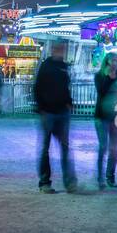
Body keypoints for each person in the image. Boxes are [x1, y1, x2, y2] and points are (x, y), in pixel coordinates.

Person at [34, 41, 76, 192]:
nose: (61, 51)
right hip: (48, 112)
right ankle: (45, 182)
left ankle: (70, 182)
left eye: (63, 49)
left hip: (62, 112)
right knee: (46, 147)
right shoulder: (46, 66)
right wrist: (41, 107)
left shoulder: (64, 66)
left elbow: (66, 87)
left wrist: (69, 102)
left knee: (65, 147)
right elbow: (37, 86)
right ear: (53, 50)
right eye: (59, 49)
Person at [93, 53, 117, 189]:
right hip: (102, 116)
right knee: (103, 146)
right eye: (113, 60)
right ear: (106, 62)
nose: (115, 63)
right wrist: (109, 77)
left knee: (114, 148)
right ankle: (100, 177)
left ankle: (110, 176)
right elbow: (101, 92)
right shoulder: (99, 76)